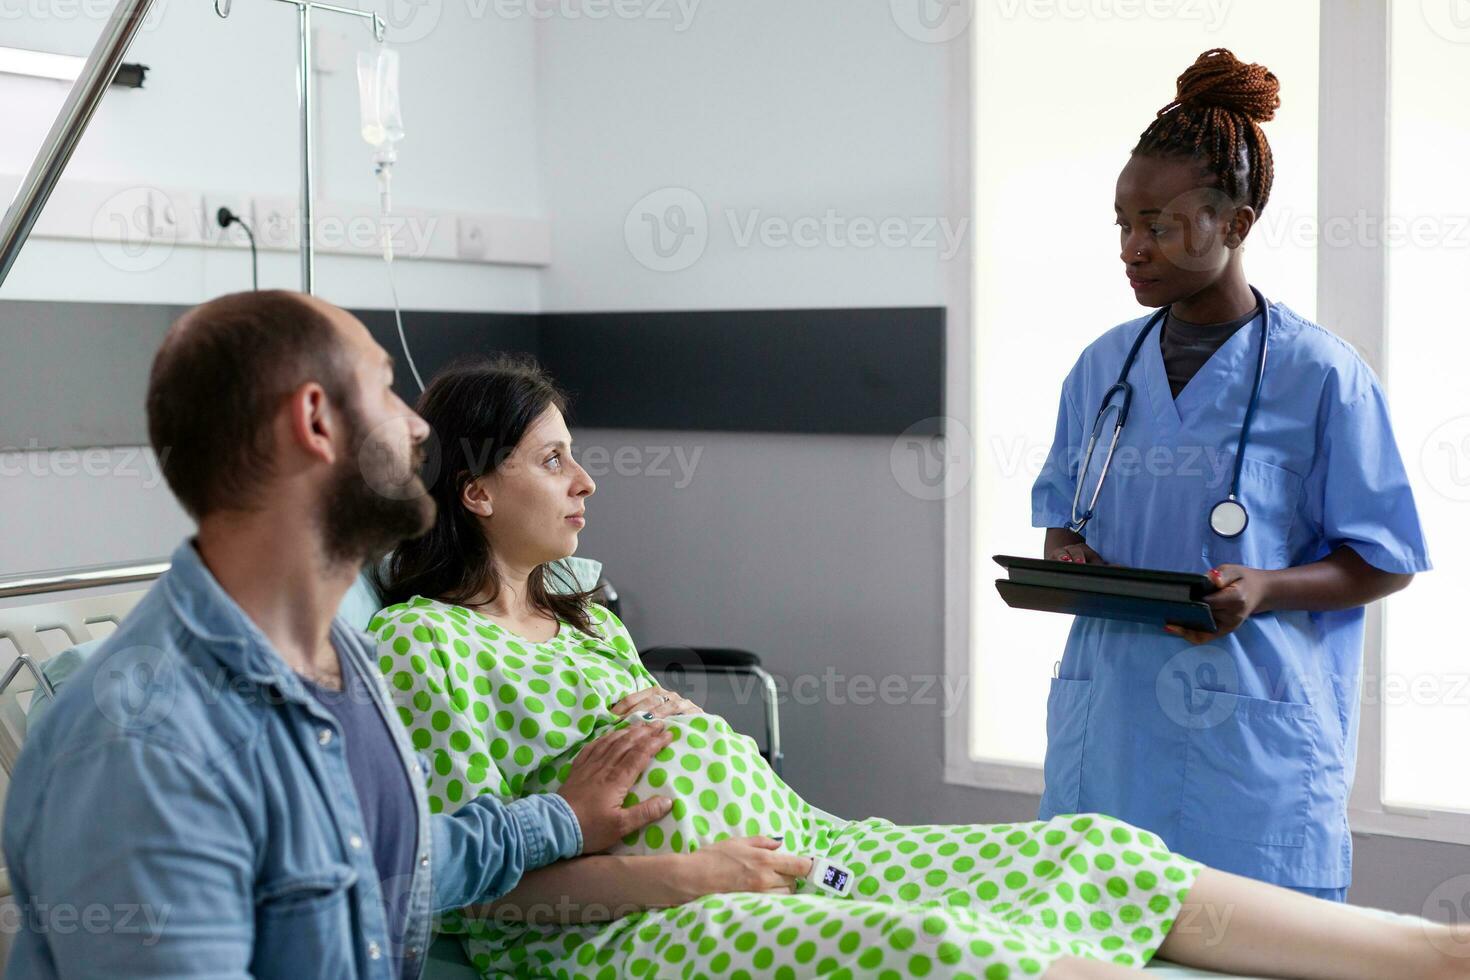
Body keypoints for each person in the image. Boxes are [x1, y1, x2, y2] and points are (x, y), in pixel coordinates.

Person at [371, 355, 1467, 979]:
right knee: (938, 943)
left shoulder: (580, 611)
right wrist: (689, 871)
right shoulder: (422, 646)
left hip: (810, 848)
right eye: (553, 458)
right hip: (643, 924)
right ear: (475, 489)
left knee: (1095, 852)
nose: (586, 482)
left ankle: (1436, 951)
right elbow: (464, 898)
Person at [1, 290, 674, 979]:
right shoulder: (146, 741)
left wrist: (558, 821)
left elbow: (381, 864)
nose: (419, 430)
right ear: (316, 421)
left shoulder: (342, 658)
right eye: (386, 390)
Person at [1030, 49, 1431, 902]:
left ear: (1236, 224)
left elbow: (1386, 557)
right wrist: (1069, 561)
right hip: (1111, 735)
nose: (1133, 248)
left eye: (1160, 224)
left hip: (1249, 754)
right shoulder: (1103, 368)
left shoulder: (1322, 376)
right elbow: (1066, 522)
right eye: (1123, 224)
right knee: (1098, 944)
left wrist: (1267, 587)